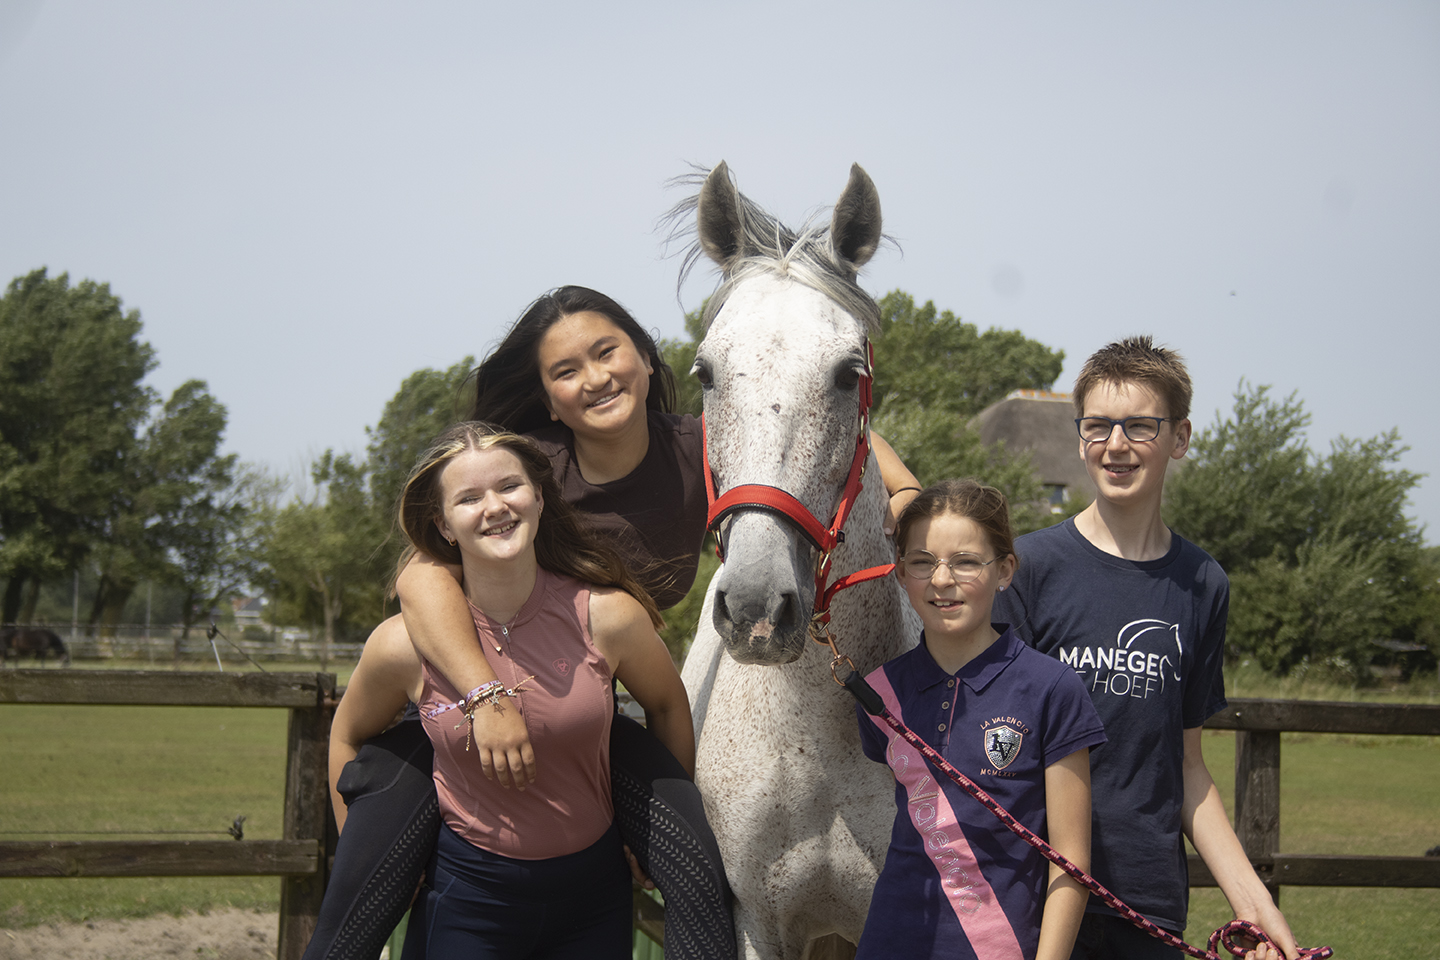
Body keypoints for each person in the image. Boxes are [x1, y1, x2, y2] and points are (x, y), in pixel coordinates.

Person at [307, 285, 920, 960]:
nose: (595, 378)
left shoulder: (704, 445)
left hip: (589, 697)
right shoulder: (523, 469)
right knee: (359, 901)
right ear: (545, 397)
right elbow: (419, 578)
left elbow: (815, 420)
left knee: (698, 875)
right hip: (468, 701)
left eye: (607, 352)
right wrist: (484, 695)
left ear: (647, 359)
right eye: (566, 371)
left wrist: (909, 493)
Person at [329, 423, 694, 958]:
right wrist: (369, 860)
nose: (494, 506)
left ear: (540, 498)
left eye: (509, 487)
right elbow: (345, 735)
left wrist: (660, 836)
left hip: (594, 897)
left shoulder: (608, 615)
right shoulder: (401, 646)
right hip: (467, 897)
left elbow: (666, 705)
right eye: (469, 498)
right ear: (444, 525)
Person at [991, 336, 1297, 960]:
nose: (1116, 444)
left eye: (1139, 426)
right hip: (1033, 896)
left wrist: (1255, 905)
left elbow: (1187, 767)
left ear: (1179, 438)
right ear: (1080, 437)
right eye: (1098, 426)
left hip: (1147, 903)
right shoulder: (1029, 568)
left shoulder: (1203, 583)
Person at [855, 479, 1105, 960]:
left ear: (1005, 570)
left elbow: (1071, 862)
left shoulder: (1052, 688)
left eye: (966, 562)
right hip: (889, 942)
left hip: (1000, 946)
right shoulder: (879, 693)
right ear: (901, 572)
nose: (942, 580)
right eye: (922, 562)